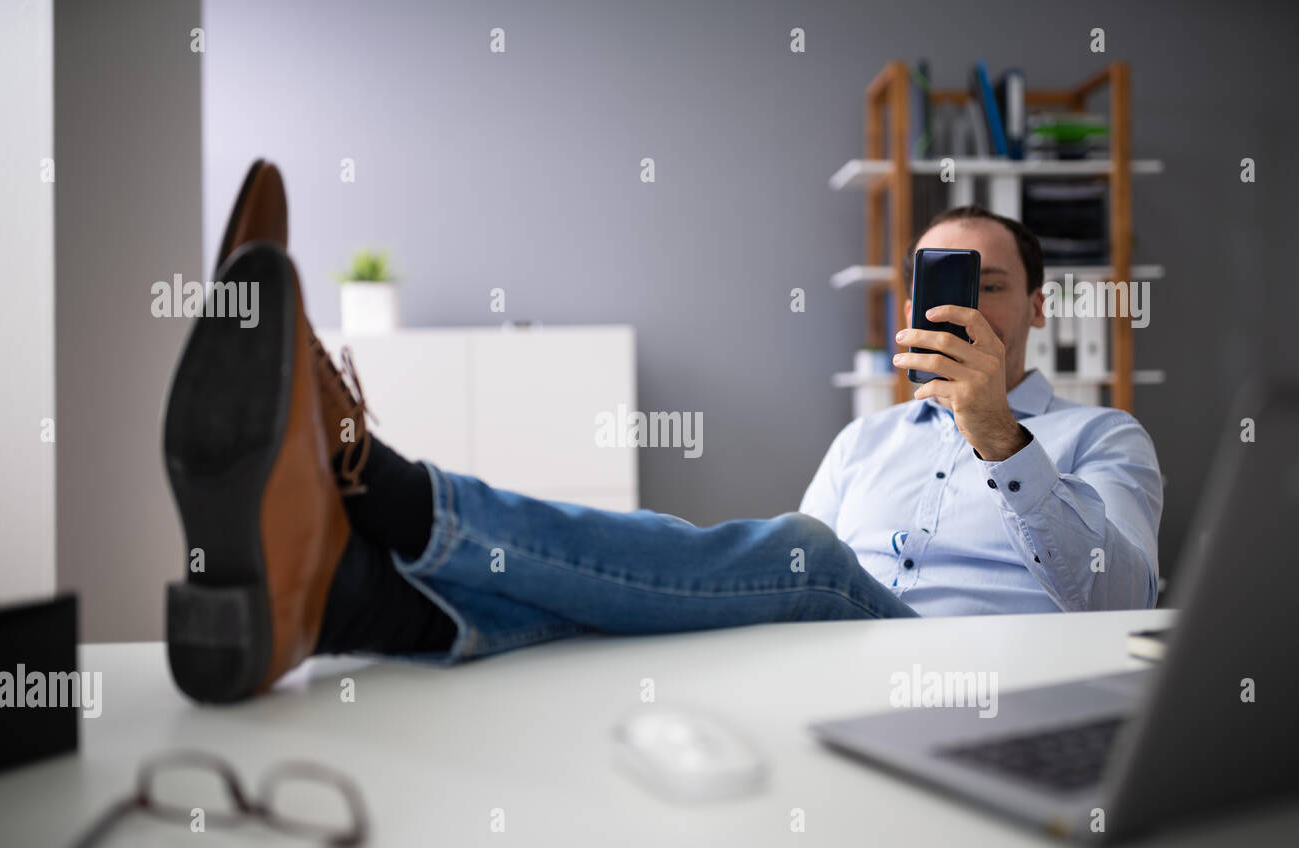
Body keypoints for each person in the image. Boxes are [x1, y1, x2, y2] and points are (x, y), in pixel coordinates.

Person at [162, 161, 1161, 703]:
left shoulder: (1102, 438)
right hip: (836, 676)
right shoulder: (870, 439)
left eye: (984, 288)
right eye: (938, 287)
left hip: (980, 688)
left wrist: (996, 431)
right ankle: (353, 602)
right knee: (732, 580)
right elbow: (767, 587)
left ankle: (378, 485)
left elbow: (1114, 604)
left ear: (1037, 304)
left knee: (805, 554)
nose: (962, 309)